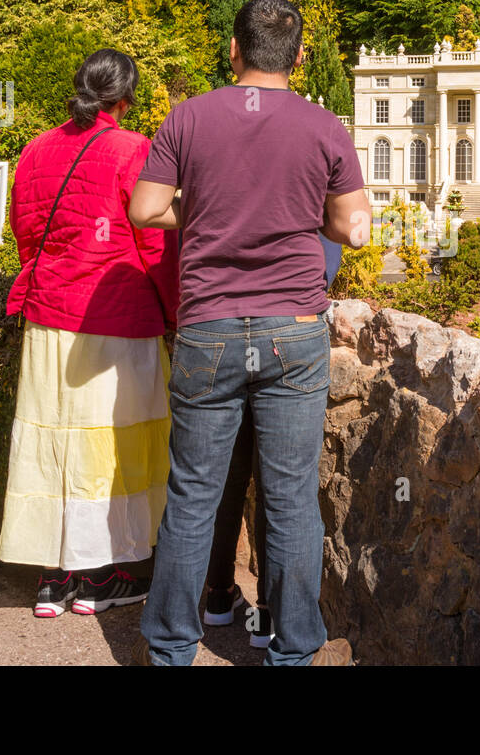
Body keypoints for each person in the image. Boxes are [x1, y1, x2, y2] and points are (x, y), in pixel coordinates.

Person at [130, 0, 370, 667]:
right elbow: (355, 227)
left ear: (233, 50)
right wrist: (300, 217)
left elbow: (146, 208)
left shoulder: (189, 117)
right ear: (299, 57)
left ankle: (171, 648)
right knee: (291, 495)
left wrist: (208, 212)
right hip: (293, 327)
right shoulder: (325, 127)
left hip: (209, 325)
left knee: (193, 492)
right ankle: (292, 651)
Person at [0, 50, 178, 618]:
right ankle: (105, 573)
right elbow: (154, 246)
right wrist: (173, 314)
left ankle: (54, 575)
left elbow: (25, 231)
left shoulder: (35, 149)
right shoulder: (134, 150)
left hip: (49, 314)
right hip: (116, 318)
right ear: (125, 101)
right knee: (112, 445)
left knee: (54, 440)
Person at [202, 236, 341, 650]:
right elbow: (325, 263)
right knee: (281, 490)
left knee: (219, 480)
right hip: (286, 331)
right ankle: (268, 616)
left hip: (215, 327)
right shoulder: (305, 179)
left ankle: (217, 594)